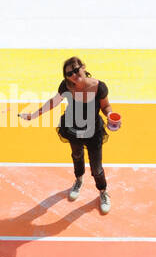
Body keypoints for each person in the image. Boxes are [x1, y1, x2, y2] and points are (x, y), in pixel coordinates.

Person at [20, 57, 113, 213]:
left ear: (83, 67)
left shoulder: (99, 87)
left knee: (96, 168)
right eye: (70, 73)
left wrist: (110, 115)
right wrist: (33, 115)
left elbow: (106, 107)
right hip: (73, 129)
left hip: (93, 132)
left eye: (76, 70)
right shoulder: (67, 87)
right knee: (76, 155)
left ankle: (103, 192)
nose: (74, 75)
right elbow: (53, 102)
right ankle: (79, 180)